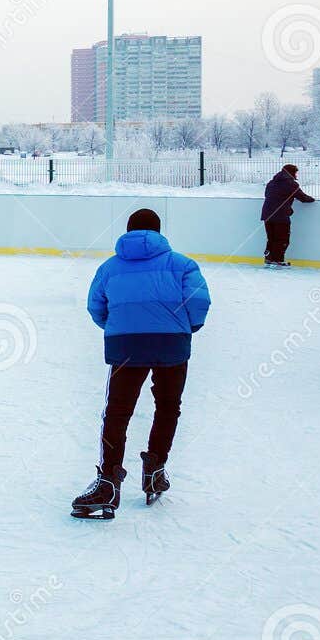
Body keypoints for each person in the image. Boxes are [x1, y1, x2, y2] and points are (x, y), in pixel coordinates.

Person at [71, 208, 211, 519]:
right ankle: (154, 470)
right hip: (172, 343)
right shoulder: (183, 265)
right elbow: (199, 301)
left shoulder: (109, 268)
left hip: (127, 345)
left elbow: (96, 306)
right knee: (167, 406)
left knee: (118, 412)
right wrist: (187, 327)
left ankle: (108, 481)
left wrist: (118, 326)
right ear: (159, 232)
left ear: (128, 231)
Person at [260, 163, 315, 267]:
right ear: (292, 173)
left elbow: (267, 195)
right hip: (281, 216)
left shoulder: (271, 182)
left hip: (267, 214)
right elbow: (302, 198)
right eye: (296, 173)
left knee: (271, 238)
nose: (296, 176)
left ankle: (269, 259)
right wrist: (312, 199)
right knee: (282, 239)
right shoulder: (291, 184)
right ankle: (278, 260)